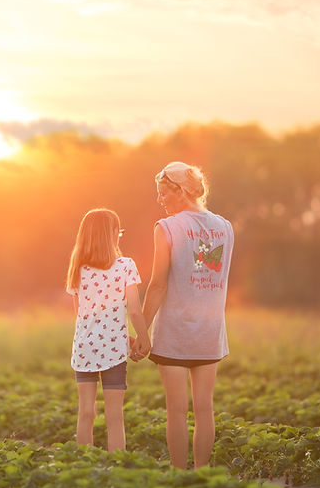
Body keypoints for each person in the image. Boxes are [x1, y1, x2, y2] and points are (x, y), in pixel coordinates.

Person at [130, 161, 234, 469]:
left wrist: (143, 333)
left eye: (163, 193)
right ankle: (201, 475)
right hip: (210, 333)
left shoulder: (167, 228)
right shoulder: (225, 227)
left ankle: (179, 477)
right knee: (205, 410)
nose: (160, 200)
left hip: (175, 333)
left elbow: (158, 285)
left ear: (180, 192)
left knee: (176, 411)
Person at [66, 208, 147, 451]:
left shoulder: (78, 269)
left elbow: (80, 314)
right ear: (111, 234)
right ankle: (117, 469)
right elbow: (134, 310)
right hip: (113, 351)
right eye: (118, 231)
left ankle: (83, 466)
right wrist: (143, 338)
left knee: (86, 413)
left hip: (85, 350)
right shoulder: (126, 266)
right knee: (115, 417)